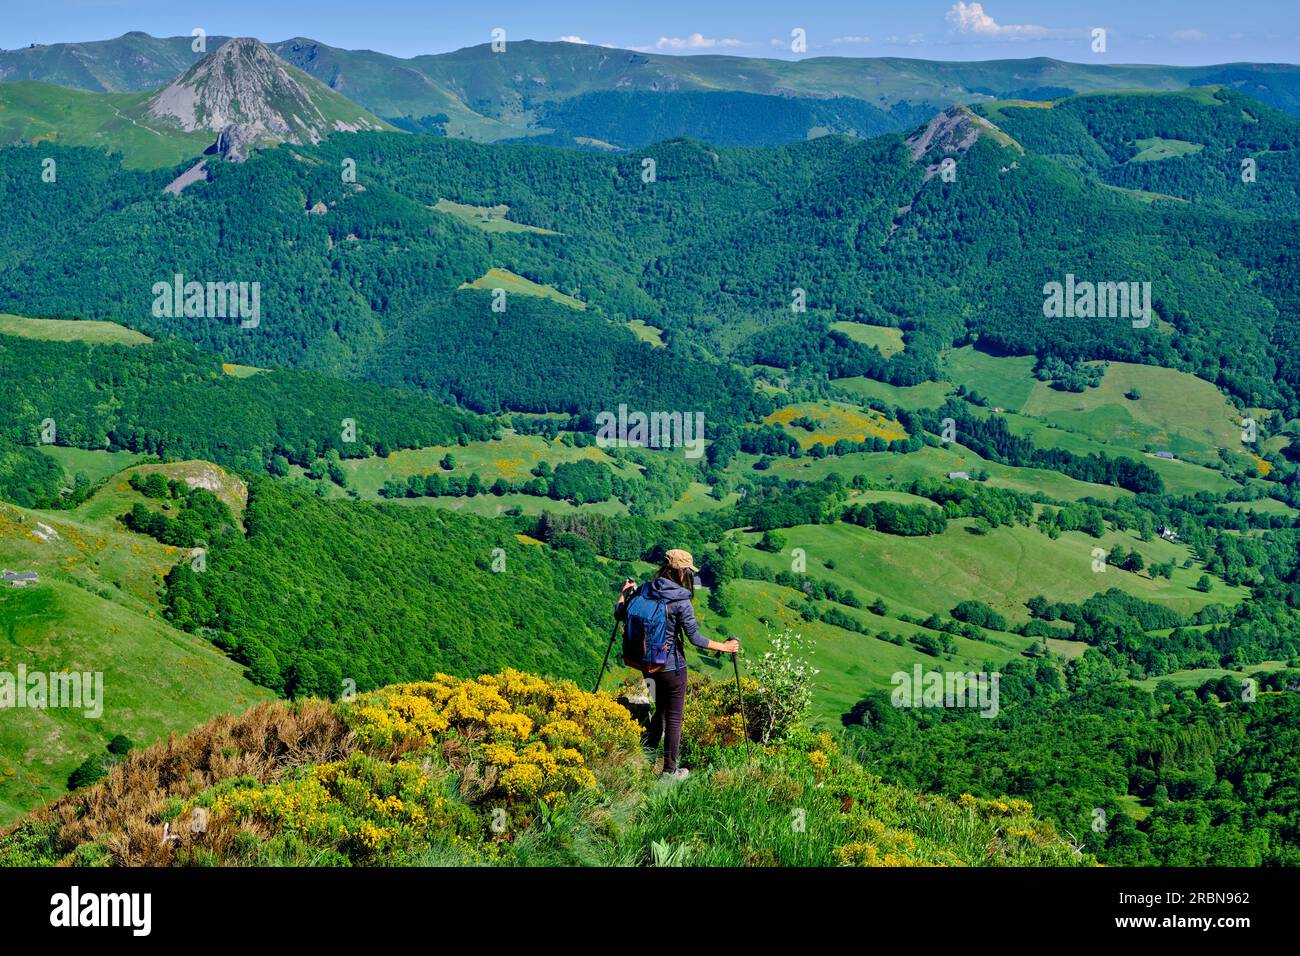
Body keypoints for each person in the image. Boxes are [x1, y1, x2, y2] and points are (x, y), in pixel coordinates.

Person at [615, 548, 739, 780]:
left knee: (660, 709)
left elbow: (619, 613)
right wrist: (725, 646)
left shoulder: (644, 589)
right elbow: (695, 638)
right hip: (672, 667)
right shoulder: (681, 599)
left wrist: (623, 593)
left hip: (648, 666)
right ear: (682, 572)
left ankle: (648, 756)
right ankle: (669, 772)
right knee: (673, 717)